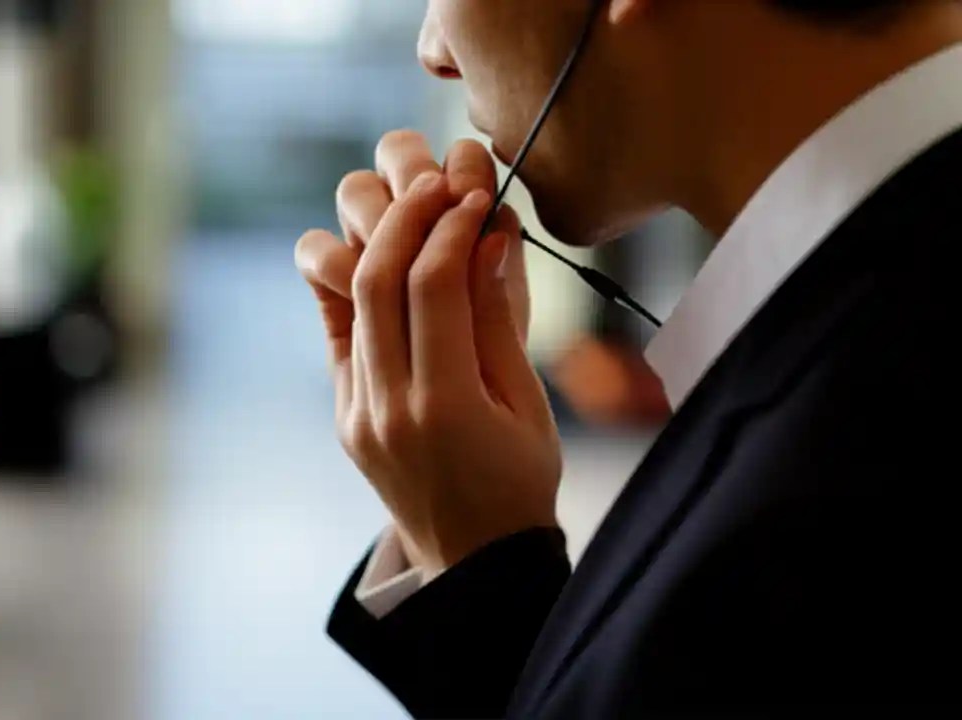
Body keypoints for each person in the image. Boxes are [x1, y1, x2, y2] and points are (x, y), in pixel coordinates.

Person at [292, 0, 962, 716]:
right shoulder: (870, 330)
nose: (434, 51)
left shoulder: (860, 427)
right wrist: (474, 550)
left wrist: (477, 568)